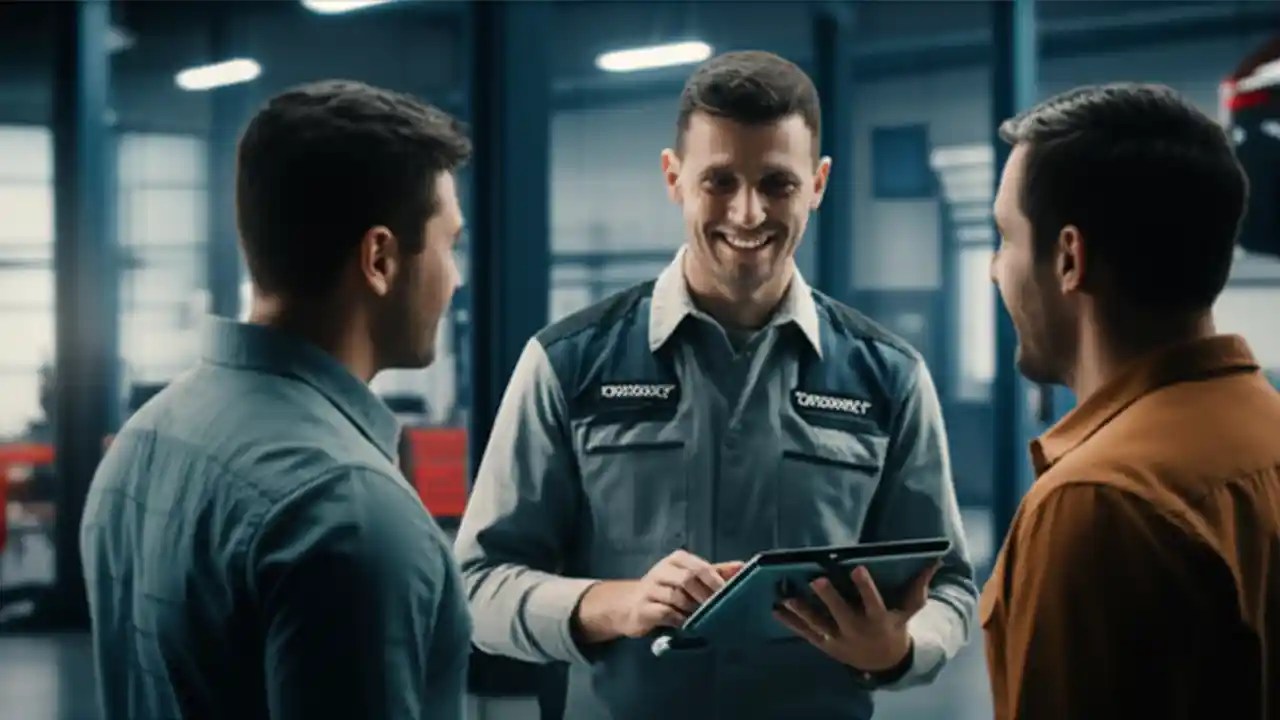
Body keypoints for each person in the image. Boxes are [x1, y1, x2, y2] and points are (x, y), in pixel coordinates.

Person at [454, 50, 977, 720]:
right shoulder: (568, 364)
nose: (749, 212)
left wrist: (899, 650)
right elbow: (477, 586)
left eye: (778, 184)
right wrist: (613, 603)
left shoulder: (888, 378)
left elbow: (951, 584)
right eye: (720, 181)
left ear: (818, 184)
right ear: (674, 179)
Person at [80, 80, 473, 720]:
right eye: (450, 246)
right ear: (379, 258)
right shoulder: (347, 508)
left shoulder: (146, 438)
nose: (455, 279)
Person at [983, 83, 1280, 718]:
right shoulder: (1268, 436)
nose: (993, 269)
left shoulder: (1099, 501)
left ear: (1069, 257)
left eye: (1004, 237)